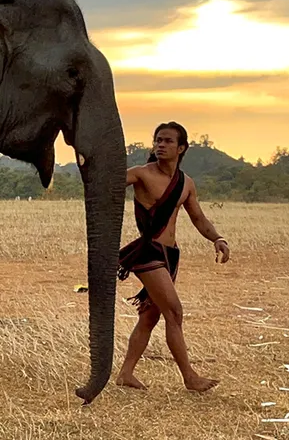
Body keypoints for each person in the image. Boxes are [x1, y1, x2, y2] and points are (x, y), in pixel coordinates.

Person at [115, 121, 230, 392]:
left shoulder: (186, 183)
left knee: (149, 318)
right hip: (148, 252)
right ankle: (189, 377)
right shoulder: (141, 174)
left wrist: (217, 238)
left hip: (171, 255)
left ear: (181, 148)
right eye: (158, 140)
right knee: (174, 312)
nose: (160, 145)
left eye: (167, 141)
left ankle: (125, 373)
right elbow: (109, 182)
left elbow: (198, 218)